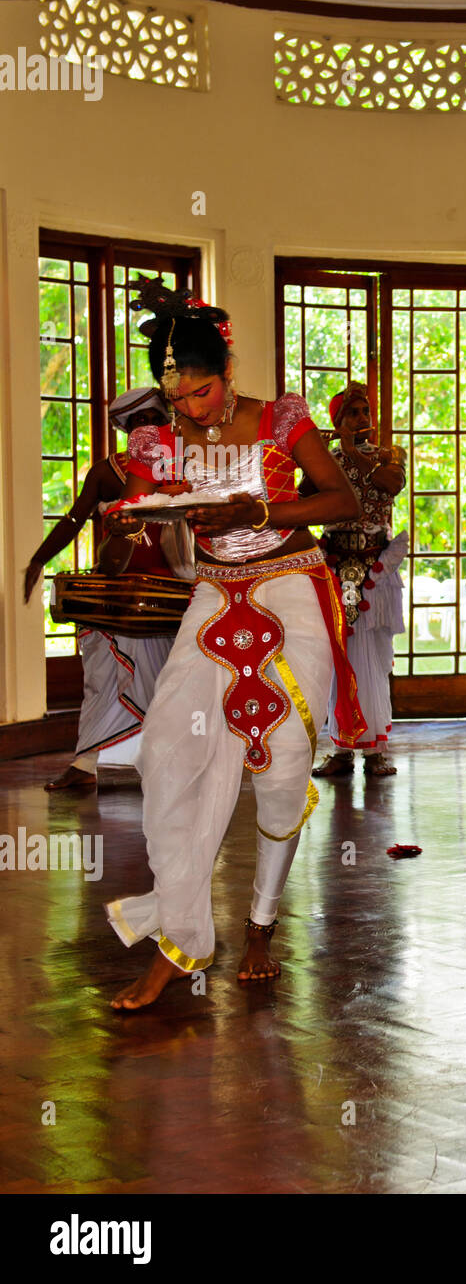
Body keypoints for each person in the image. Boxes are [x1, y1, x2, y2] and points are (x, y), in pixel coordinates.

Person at [101, 281, 363, 1009]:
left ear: (229, 371)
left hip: (291, 578)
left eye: (203, 392)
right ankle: (179, 943)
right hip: (215, 589)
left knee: (282, 763)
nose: (190, 408)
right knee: (165, 753)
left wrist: (263, 508)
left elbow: (344, 500)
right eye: (177, 397)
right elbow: (134, 521)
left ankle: (261, 923)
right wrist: (127, 522)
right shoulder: (155, 438)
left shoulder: (280, 418)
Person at [24, 387, 177, 790]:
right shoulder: (106, 472)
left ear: (165, 424)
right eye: (136, 422)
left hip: (169, 594)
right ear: (125, 428)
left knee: (168, 684)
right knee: (100, 678)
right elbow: (75, 520)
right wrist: (39, 559)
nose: (144, 428)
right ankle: (85, 766)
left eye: (152, 420)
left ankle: (167, 765)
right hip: (114, 589)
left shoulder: (182, 467)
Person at [307, 382, 407, 780]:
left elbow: (391, 484)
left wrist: (351, 453)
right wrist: (305, 454)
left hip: (374, 568)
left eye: (365, 412)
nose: (362, 419)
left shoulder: (388, 456)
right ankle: (342, 749)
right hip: (335, 563)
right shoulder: (326, 460)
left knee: (373, 661)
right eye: (353, 414)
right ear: (338, 420)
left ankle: (377, 750)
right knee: (339, 660)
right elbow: (302, 498)